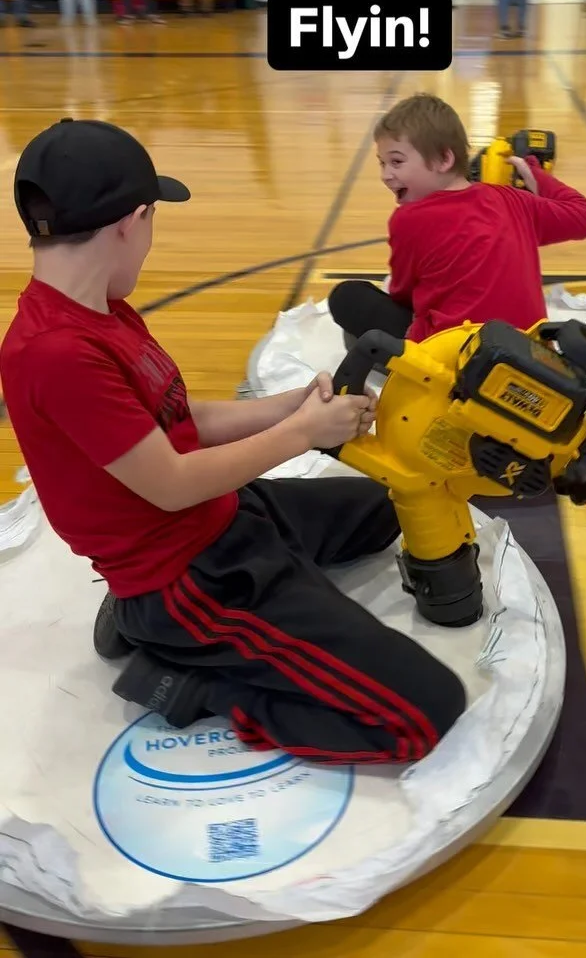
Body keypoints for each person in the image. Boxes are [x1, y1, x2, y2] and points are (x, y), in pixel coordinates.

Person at [0, 119, 465, 765]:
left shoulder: (100, 307)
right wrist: (302, 433)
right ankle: (191, 676)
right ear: (134, 221)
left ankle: (177, 619)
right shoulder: (56, 352)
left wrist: (293, 403)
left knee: (383, 510)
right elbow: (170, 485)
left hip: (220, 517)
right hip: (186, 574)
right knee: (424, 711)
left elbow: (180, 418)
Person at [328, 93, 586, 346]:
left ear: (444, 159)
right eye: (382, 163)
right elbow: (585, 217)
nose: (386, 175)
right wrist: (535, 175)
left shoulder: (408, 219)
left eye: (396, 162)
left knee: (348, 298)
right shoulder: (513, 200)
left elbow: (404, 295)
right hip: (531, 353)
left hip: (452, 361)